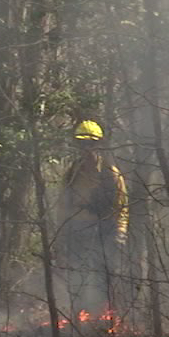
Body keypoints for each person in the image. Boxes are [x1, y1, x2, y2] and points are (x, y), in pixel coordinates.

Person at [57, 120, 128, 322]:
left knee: (103, 274)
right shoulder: (72, 173)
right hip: (77, 230)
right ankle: (77, 316)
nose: (86, 149)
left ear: (99, 145)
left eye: (90, 144)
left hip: (105, 230)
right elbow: (63, 205)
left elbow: (121, 207)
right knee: (76, 273)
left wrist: (119, 234)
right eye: (82, 144)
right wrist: (61, 235)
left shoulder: (110, 174)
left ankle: (104, 318)